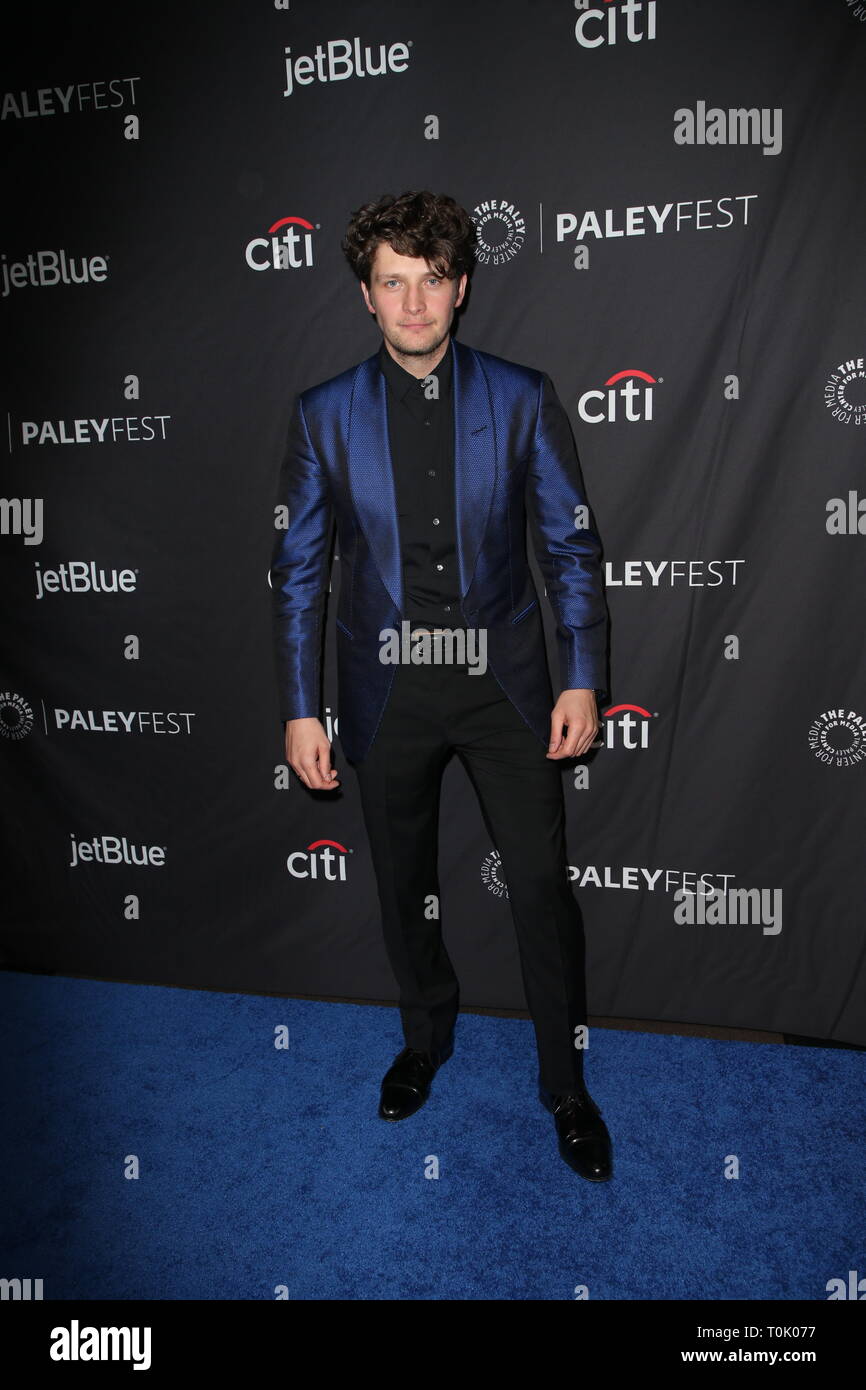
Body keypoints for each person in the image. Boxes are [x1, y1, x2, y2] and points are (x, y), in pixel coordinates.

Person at [270, 190, 613, 1182]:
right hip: (384, 692)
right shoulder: (321, 416)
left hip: (502, 684)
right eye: (392, 282)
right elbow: (299, 571)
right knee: (401, 883)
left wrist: (582, 676)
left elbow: (570, 550)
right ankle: (424, 1041)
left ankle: (564, 1082)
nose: (412, 302)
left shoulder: (520, 395)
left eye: (430, 280)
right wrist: (301, 705)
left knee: (541, 890)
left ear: (460, 287)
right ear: (366, 298)